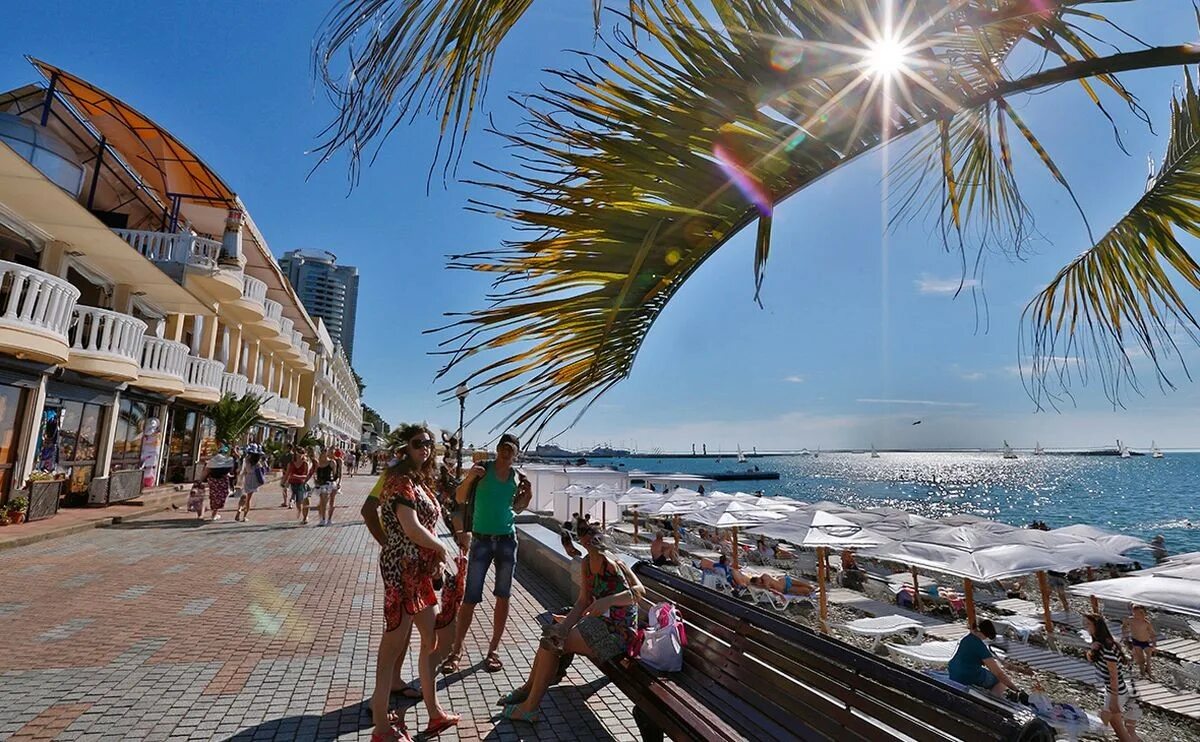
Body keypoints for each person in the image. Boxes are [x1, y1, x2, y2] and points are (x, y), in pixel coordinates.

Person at [366, 424, 459, 741]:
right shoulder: (400, 481)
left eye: (430, 444)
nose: (426, 449)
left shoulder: (419, 481)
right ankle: (381, 727)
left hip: (418, 575)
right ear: (404, 448)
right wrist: (441, 546)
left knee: (435, 641)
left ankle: (434, 714)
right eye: (419, 443)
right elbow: (410, 527)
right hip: (403, 576)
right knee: (390, 650)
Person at [498, 521, 643, 722]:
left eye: (591, 540)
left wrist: (608, 601)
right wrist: (564, 626)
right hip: (600, 625)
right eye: (586, 541)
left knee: (554, 643)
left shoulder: (612, 563)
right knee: (552, 635)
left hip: (618, 634)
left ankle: (530, 707)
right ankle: (527, 691)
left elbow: (638, 592)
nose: (588, 545)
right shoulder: (586, 564)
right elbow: (583, 600)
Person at [443, 433, 532, 674]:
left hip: (507, 540)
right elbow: (459, 498)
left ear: (516, 454)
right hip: (481, 540)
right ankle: (456, 651)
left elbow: (518, 507)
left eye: (511, 449)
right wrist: (470, 477)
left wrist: (528, 494)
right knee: (470, 597)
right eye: (503, 448)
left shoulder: (518, 477)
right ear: (497, 448)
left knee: (503, 596)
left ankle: (493, 650)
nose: (506, 453)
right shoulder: (482, 469)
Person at [1085, 613, 1142, 741]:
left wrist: (1114, 699)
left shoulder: (1107, 647)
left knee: (1105, 723)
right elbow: (1092, 659)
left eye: (1088, 624)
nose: (1085, 627)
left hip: (1117, 690)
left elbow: (1113, 674)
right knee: (1121, 729)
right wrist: (1091, 649)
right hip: (1118, 689)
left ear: (1096, 626)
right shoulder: (1101, 643)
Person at [947, 620, 1023, 698]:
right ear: (987, 635)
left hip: (953, 670)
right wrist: (1016, 689)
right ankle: (992, 700)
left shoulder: (966, 638)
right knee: (1000, 681)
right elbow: (999, 674)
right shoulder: (980, 647)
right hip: (967, 675)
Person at [1123, 604, 1157, 680]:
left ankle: (1149, 672)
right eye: (1136, 614)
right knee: (1141, 659)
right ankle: (1142, 673)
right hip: (1136, 641)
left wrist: (1154, 644)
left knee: (1148, 659)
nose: (1139, 616)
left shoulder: (1146, 623)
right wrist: (1125, 636)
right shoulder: (1130, 620)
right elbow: (1124, 626)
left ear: (1145, 614)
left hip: (1146, 642)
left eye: (1141, 613)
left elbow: (1152, 634)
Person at [204, 445, 236, 521]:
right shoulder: (225, 460)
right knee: (219, 496)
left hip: (215, 480)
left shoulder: (217, 460)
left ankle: (214, 512)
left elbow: (207, 471)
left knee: (216, 495)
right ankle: (214, 513)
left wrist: (201, 479)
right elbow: (207, 470)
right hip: (219, 480)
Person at [236, 447, 268, 522]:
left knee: (243, 496)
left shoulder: (246, 461)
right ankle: (244, 516)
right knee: (248, 499)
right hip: (253, 480)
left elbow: (243, 469)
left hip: (247, 477)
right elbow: (264, 471)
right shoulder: (257, 464)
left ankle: (239, 509)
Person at [285, 447, 315, 525]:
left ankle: (305, 517)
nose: (299, 455)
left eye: (301, 453)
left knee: (306, 500)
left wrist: (295, 476)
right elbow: (288, 473)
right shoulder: (291, 463)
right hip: (295, 484)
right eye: (297, 454)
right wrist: (285, 483)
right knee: (299, 502)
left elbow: (307, 475)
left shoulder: (306, 462)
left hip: (306, 484)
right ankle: (301, 512)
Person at [313, 449, 339, 527]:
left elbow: (335, 474)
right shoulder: (318, 463)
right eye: (321, 452)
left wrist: (336, 483)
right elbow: (315, 473)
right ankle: (323, 519)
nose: (323, 454)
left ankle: (329, 519)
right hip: (321, 484)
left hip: (330, 483)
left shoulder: (331, 462)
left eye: (324, 452)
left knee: (331, 501)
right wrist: (316, 481)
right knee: (322, 501)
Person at [749, 573, 813, 596]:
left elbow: (767, 586)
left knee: (806, 586)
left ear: (757, 578)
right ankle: (811, 589)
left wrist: (760, 586)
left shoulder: (764, 577)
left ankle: (812, 588)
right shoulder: (763, 582)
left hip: (784, 581)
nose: (758, 583)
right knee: (806, 591)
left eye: (757, 582)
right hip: (785, 588)